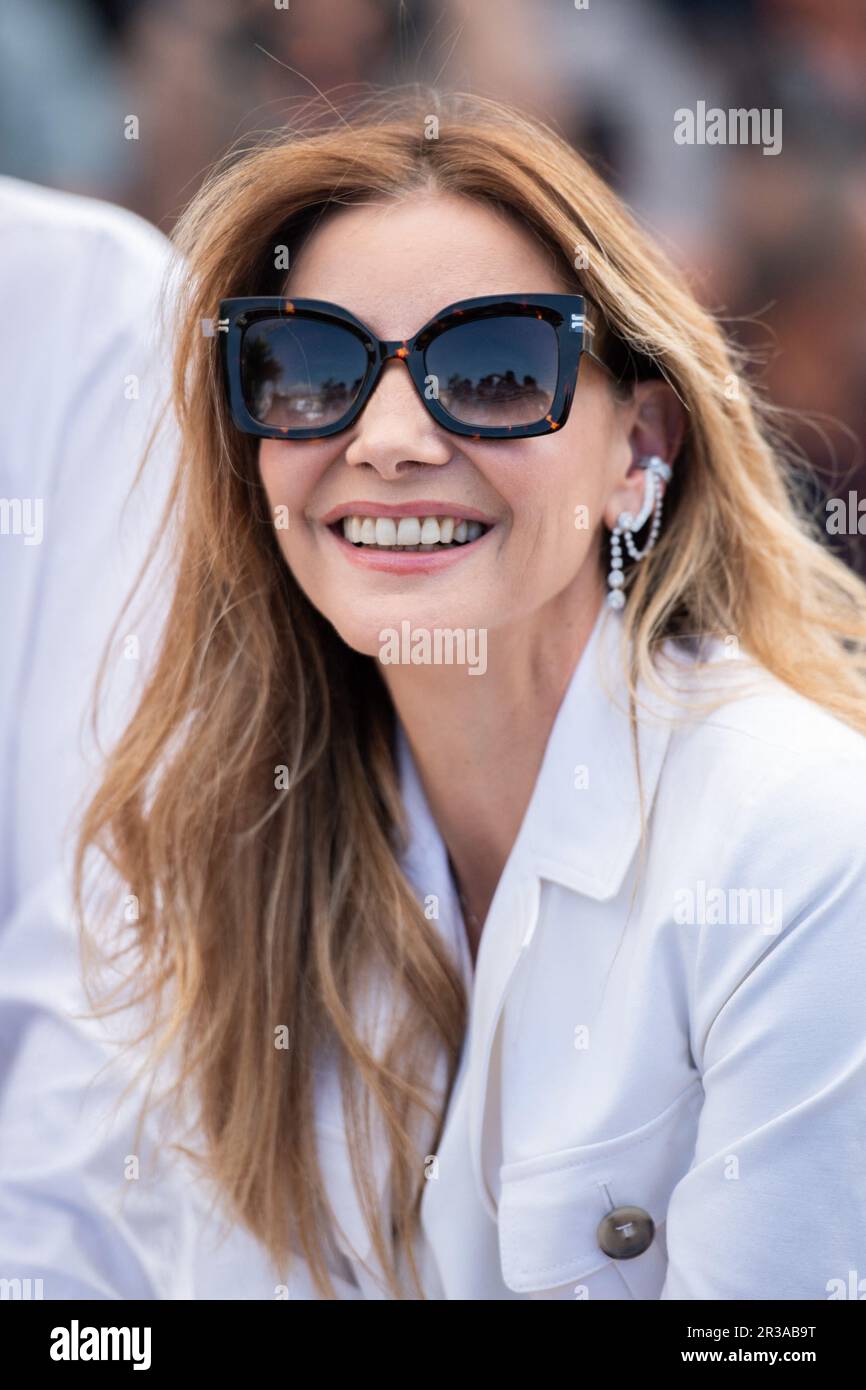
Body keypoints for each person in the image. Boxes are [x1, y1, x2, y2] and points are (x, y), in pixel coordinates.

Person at [72, 90, 866, 1300]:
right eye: (307, 367)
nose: (386, 436)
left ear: (638, 446)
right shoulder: (225, 837)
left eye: (492, 368)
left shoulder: (806, 847)